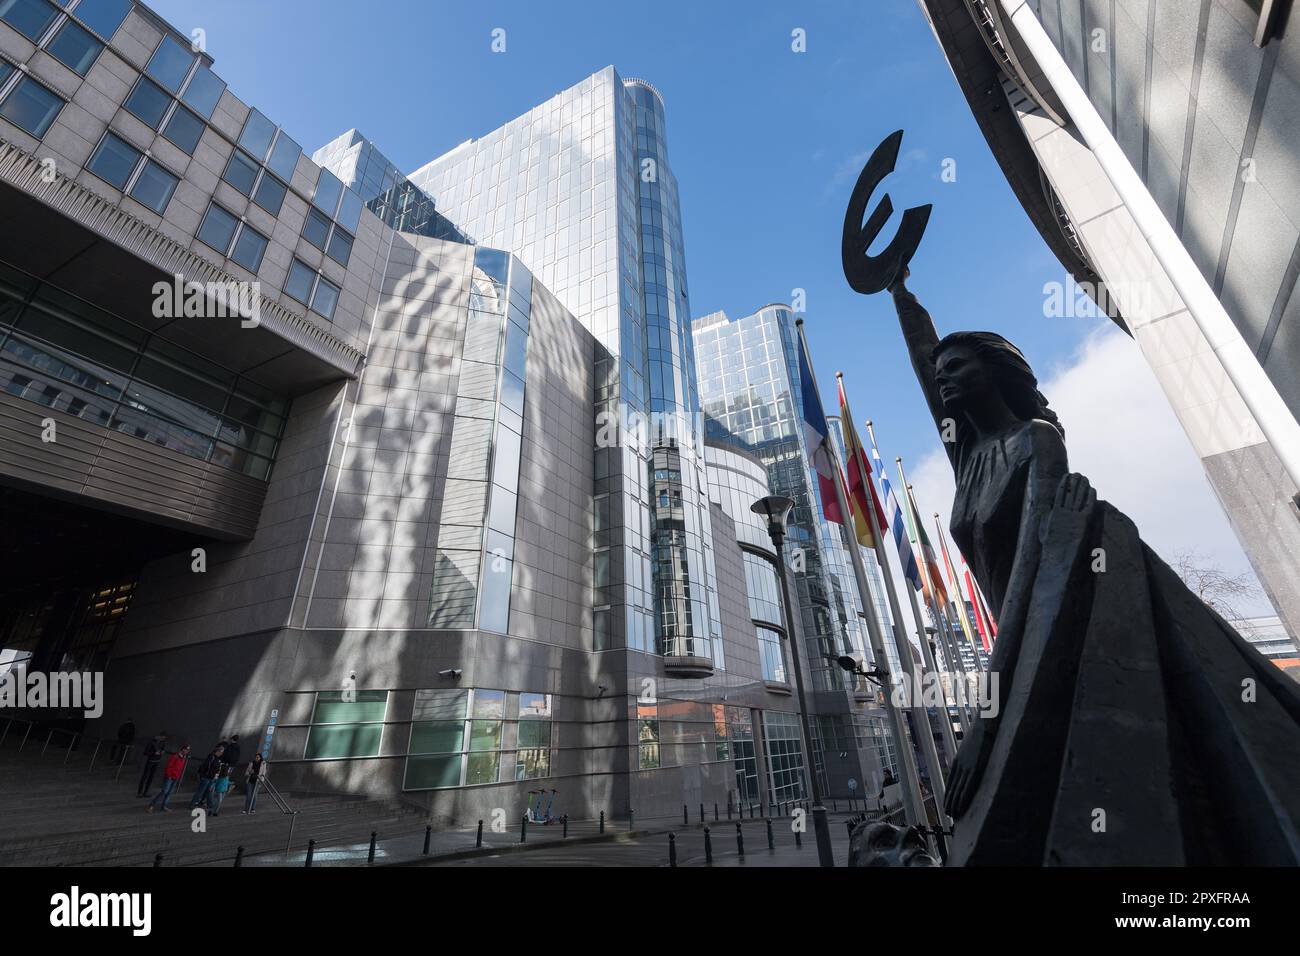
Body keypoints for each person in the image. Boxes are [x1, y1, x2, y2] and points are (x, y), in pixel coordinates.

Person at [886, 268, 1300, 865]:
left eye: (958, 368)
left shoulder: (1035, 441)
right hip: (1014, 644)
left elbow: (1030, 574)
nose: (944, 379)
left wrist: (987, 719)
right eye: (939, 372)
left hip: (1046, 639)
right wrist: (902, 297)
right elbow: (925, 369)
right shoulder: (968, 457)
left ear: (994, 371)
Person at [147, 745, 189, 813]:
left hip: (175, 777)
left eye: (187, 750)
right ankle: (151, 805)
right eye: (186, 750)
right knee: (164, 792)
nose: (187, 751)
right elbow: (169, 766)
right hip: (170, 777)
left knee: (169, 793)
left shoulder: (183, 758)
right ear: (182, 749)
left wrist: (177, 777)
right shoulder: (175, 756)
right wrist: (169, 775)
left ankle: (163, 806)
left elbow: (180, 769)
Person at [189, 745, 225, 810]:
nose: (222, 754)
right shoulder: (212, 757)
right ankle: (193, 804)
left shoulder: (216, 758)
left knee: (208, 791)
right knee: (201, 791)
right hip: (206, 777)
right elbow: (205, 766)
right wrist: (203, 775)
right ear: (218, 751)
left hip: (210, 777)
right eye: (221, 752)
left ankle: (209, 804)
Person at [136, 732, 167, 798]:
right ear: (158, 736)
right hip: (150, 761)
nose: (163, 739)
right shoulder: (151, 742)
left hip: (157, 761)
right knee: (145, 777)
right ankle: (139, 793)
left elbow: (162, 750)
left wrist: (162, 752)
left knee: (151, 777)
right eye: (162, 737)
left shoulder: (163, 743)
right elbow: (145, 752)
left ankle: (146, 792)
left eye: (164, 738)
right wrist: (154, 753)